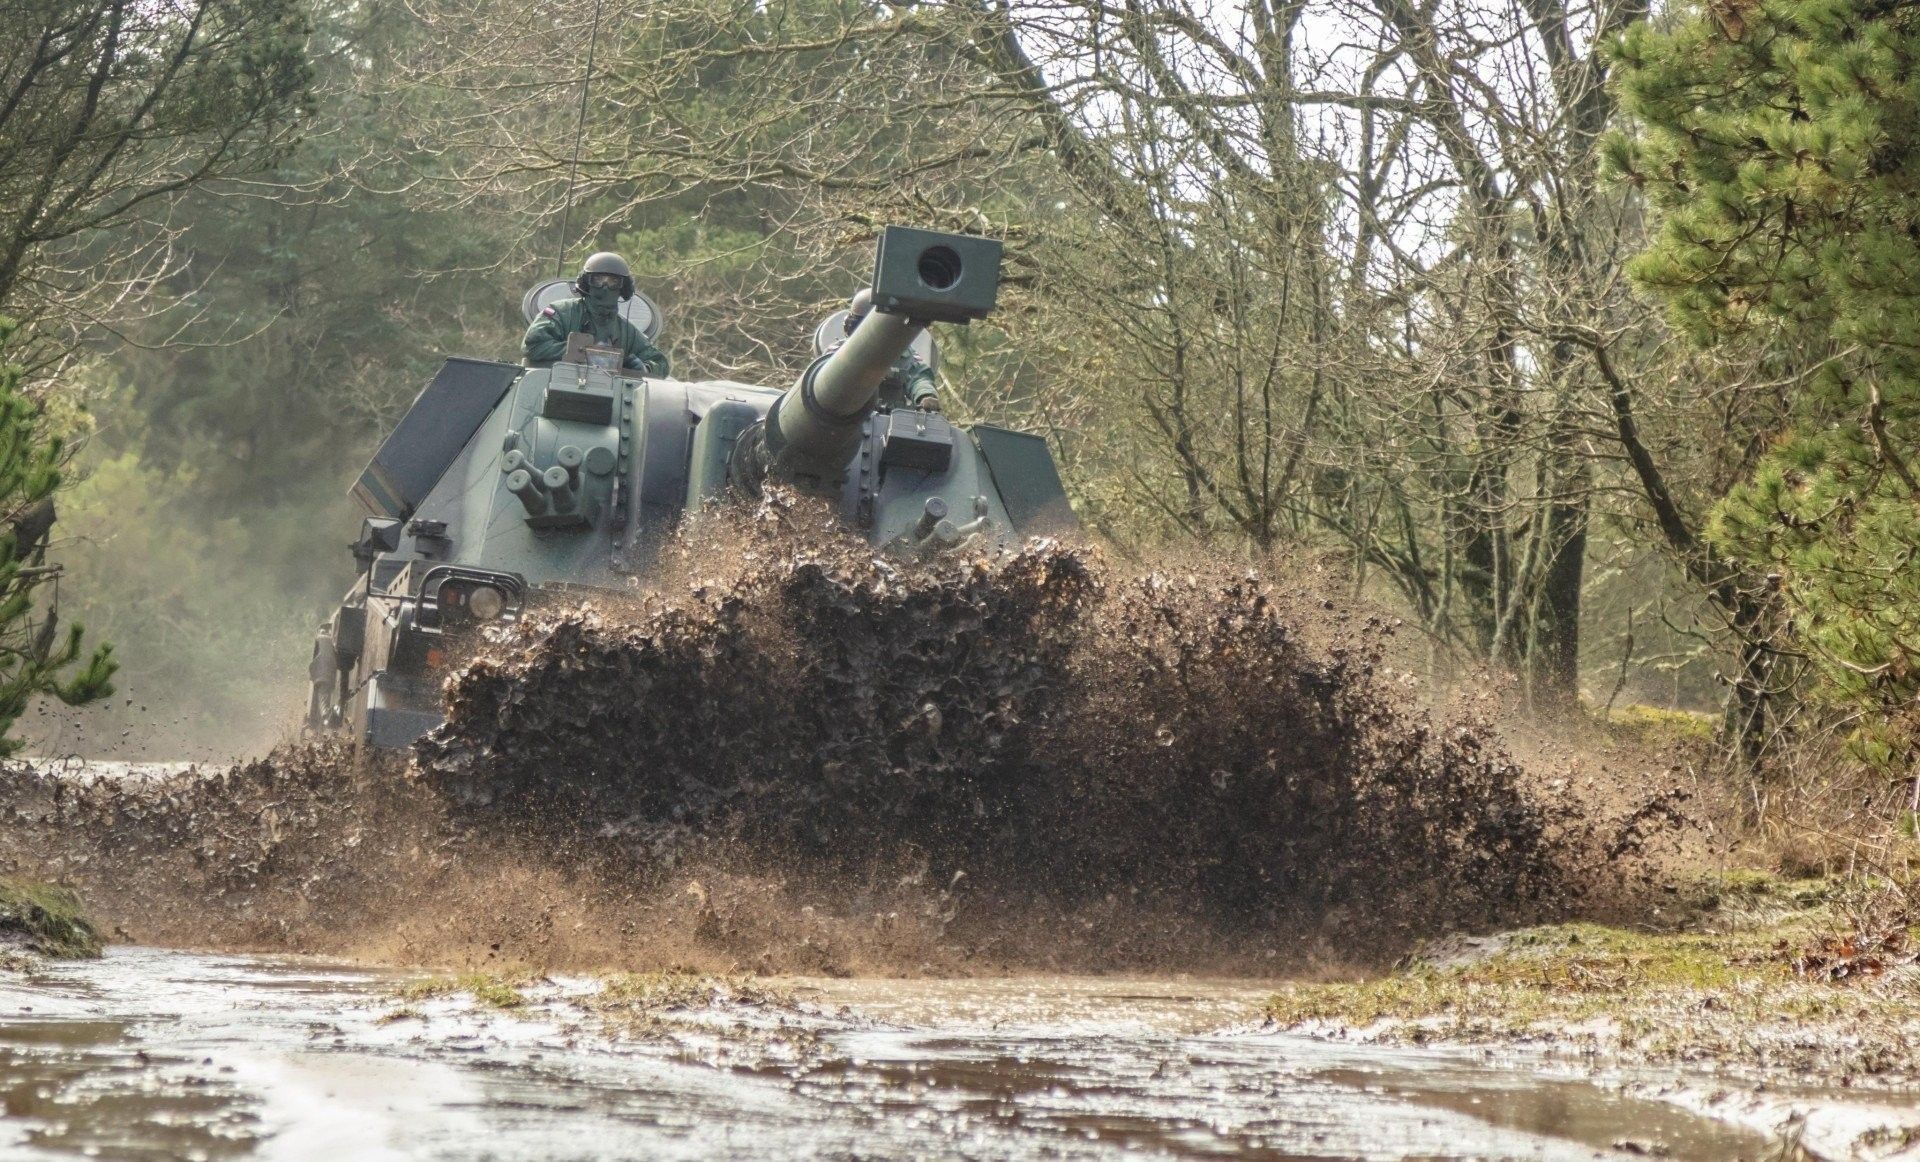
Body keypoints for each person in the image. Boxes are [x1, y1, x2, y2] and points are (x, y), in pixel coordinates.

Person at [522, 252, 670, 376]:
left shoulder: (626, 331)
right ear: (586, 283)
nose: (605, 287)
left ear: (623, 288)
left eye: (613, 281)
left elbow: (660, 363)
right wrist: (584, 353)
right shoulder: (562, 313)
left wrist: (645, 369)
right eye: (598, 279)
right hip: (554, 385)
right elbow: (533, 345)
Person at [843, 287, 940, 411]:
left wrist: (925, 395)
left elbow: (918, 377)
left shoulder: (902, 354)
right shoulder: (839, 353)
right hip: (847, 418)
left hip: (892, 419)